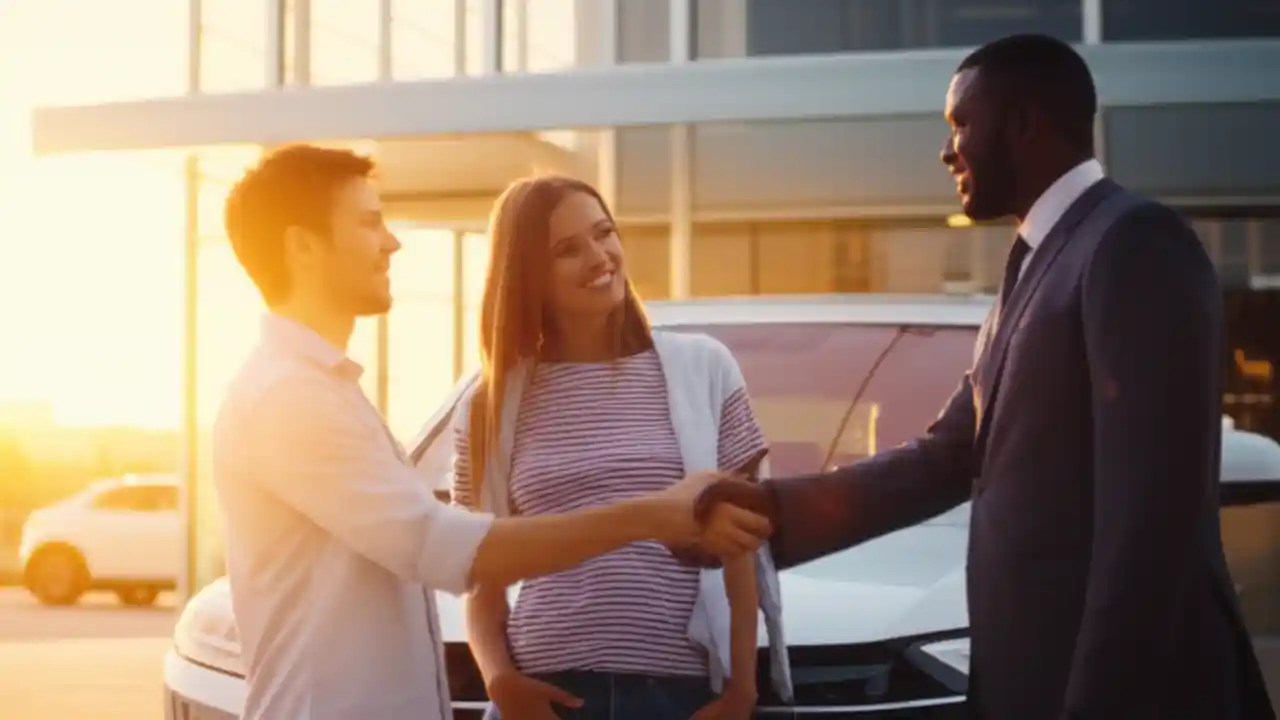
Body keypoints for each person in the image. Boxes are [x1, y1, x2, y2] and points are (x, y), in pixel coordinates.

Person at [686, 34, 1275, 720]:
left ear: (1024, 124)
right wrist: (766, 515)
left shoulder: (1134, 243)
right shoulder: (1036, 265)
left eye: (961, 123)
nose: (946, 150)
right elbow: (945, 458)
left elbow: (1148, 527)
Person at [211, 145, 771, 720]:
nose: (392, 242)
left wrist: (740, 690)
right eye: (369, 221)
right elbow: (439, 544)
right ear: (303, 246)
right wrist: (653, 515)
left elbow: (438, 543)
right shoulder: (290, 399)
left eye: (604, 233)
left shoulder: (328, 391)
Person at [450, 175, 791, 720]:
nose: (598, 256)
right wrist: (500, 682)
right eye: (567, 249)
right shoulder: (490, 403)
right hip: (546, 694)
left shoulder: (703, 367)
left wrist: (741, 693)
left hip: (678, 695)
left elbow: (742, 549)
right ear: (526, 276)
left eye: (603, 232)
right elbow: (480, 574)